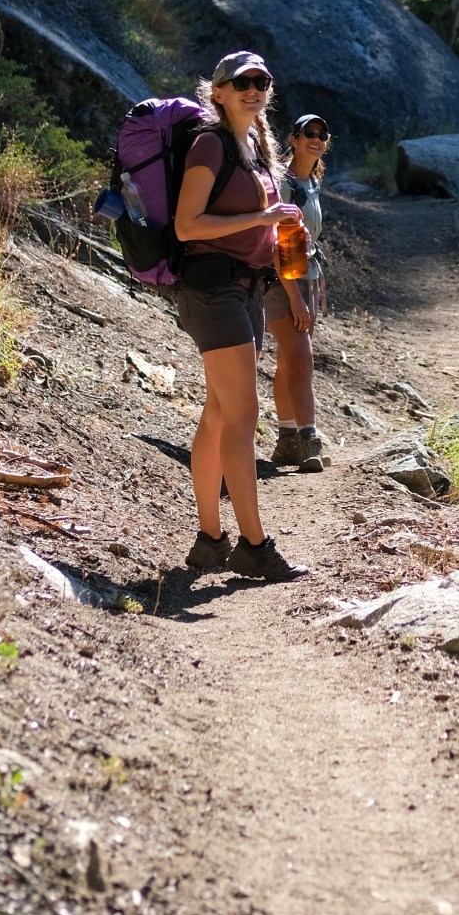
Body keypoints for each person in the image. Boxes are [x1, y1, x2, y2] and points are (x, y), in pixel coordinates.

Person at [172, 51, 309, 581]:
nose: (254, 89)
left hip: (247, 290)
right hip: (214, 288)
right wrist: (262, 216)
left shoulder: (255, 146)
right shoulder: (209, 144)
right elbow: (187, 226)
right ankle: (254, 545)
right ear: (220, 92)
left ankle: (210, 539)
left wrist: (280, 238)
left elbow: (263, 224)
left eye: (262, 81)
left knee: (219, 412)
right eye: (242, 82)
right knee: (243, 416)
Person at [267, 113, 331, 472]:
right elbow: (277, 242)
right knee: (301, 358)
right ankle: (310, 439)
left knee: (288, 360)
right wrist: (293, 296)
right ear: (293, 139)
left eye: (322, 134)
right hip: (280, 279)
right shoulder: (284, 183)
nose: (316, 138)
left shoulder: (311, 182)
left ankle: (287, 440)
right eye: (309, 132)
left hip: (303, 276)